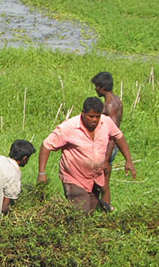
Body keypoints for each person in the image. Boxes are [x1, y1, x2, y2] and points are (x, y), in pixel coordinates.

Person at [37, 97, 136, 214]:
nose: (94, 120)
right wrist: (42, 173)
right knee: (81, 211)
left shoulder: (106, 122)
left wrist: (128, 160)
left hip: (95, 178)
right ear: (83, 113)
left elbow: (118, 136)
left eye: (97, 117)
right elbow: (46, 146)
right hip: (74, 178)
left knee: (91, 212)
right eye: (91, 116)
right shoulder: (69, 127)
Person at [91, 71, 123, 207]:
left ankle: (105, 209)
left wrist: (105, 158)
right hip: (108, 146)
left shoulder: (110, 105)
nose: (95, 89)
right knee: (102, 180)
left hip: (108, 147)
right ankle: (99, 207)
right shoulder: (116, 100)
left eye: (96, 86)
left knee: (103, 181)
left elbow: (112, 134)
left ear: (102, 87)